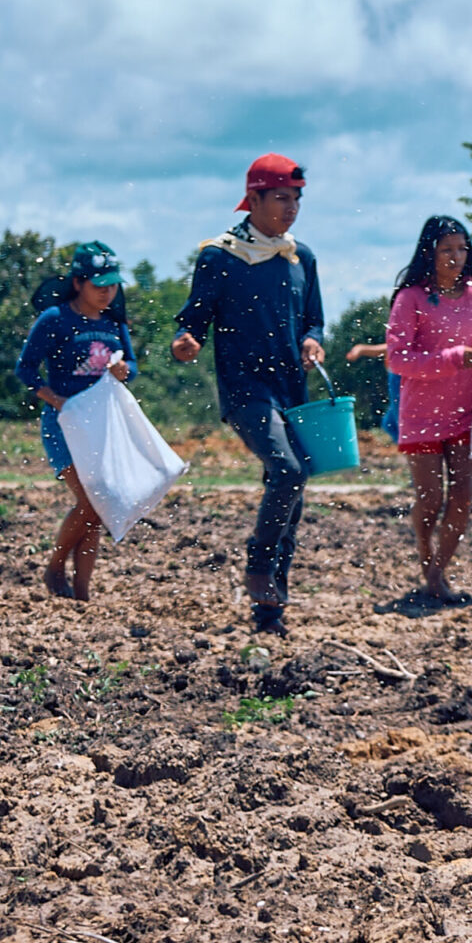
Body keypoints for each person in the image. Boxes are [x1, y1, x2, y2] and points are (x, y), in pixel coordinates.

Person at [170, 155, 325, 635]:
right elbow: (193, 320)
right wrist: (186, 343)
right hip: (246, 390)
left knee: (294, 491)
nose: (291, 208)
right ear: (252, 200)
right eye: (282, 198)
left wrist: (313, 339)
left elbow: (314, 319)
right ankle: (258, 564)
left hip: (291, 392)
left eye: (297, 199)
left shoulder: (302, 257)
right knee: (287, 470)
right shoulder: (220, 256)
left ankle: (270, 606)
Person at [14, 241, 135, 602]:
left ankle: (81, 594)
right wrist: (55, 399)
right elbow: (25, 369)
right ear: (79, 283)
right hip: (65, 424)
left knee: (96, 508)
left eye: (112, 285)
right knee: (91, 502)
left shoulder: (114, 322)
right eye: (99, 285)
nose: (107, 292)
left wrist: (124, 370)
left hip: (102, 426)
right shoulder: (54, 319)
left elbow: (131, 366)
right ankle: (55, 566)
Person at [385, 215, 472, 600]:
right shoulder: (410, 298)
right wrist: (450, 358)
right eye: (447, 249)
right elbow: (397, 360)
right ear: (429, 252)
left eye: (462, 248)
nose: (456, 256)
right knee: (431, 497)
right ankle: (425, 553)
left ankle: (436, 574)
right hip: (421, 415)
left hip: (468, 413)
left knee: (463, 496)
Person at [343, 342, 403, 444]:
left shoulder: (400, 347)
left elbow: (390, 347)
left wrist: (361, 349)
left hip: (402, 387)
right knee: (389, 424)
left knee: (397, 424)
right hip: (396, 385)